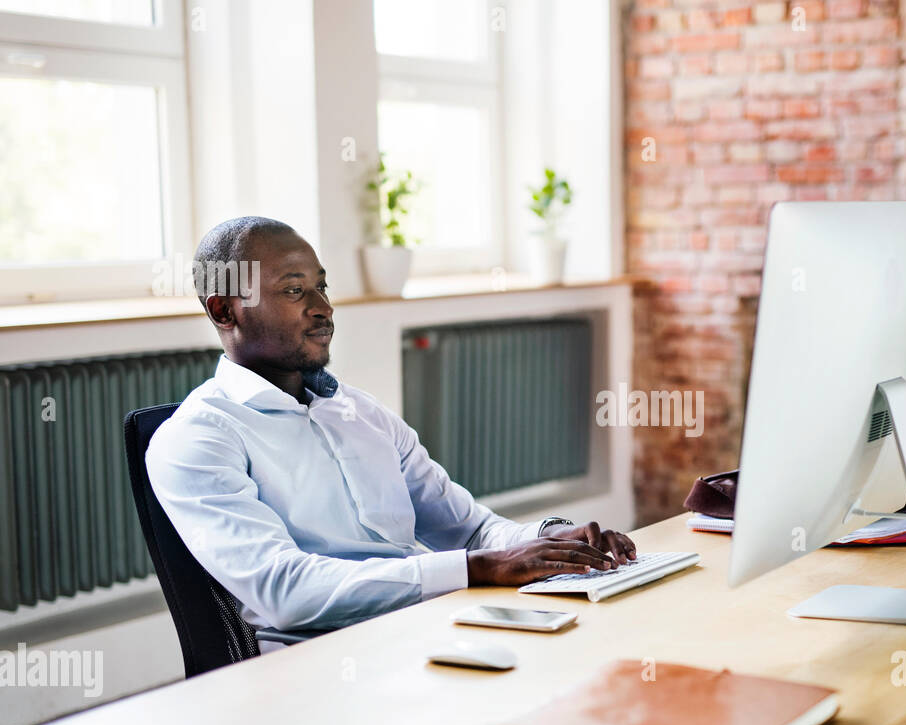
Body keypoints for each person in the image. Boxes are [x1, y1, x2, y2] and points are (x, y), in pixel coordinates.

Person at [147, 216, 635, 643]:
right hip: (321, 662)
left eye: (323, 286)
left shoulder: (361, 412)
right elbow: (285, 590)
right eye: (294, 290)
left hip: (432, 626)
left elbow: (470, 530)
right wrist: (478, 569)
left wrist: (554, 541)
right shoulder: (198, 439)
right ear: (223, 311)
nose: (323, 307)